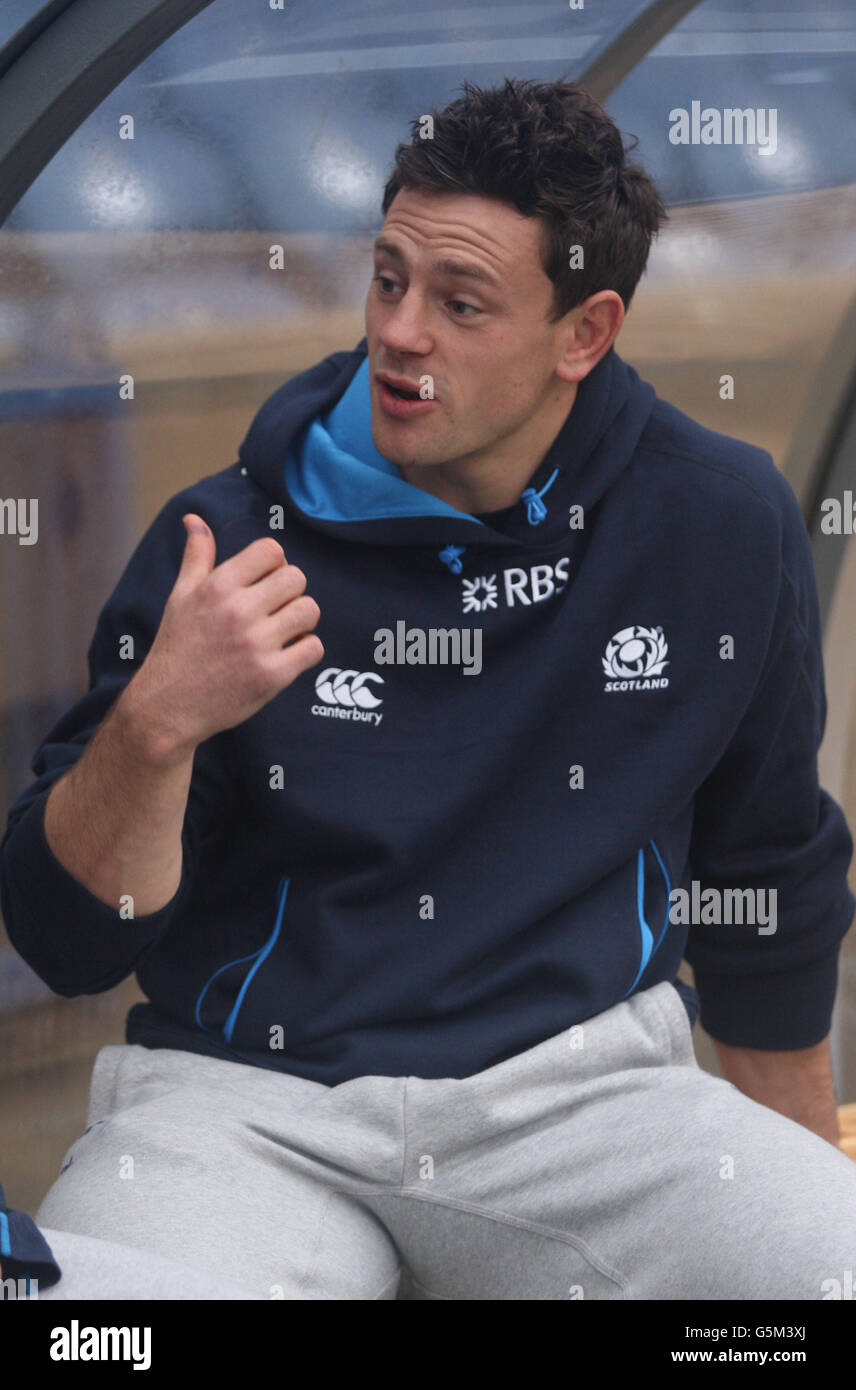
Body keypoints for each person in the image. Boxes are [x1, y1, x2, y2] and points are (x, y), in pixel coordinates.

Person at [2, 77, 856, 1302]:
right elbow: (67, 939)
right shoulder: (226, 543)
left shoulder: (716, 522)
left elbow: (763, 877)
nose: (401, 332)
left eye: (460, 303)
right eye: (388, 278)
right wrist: (155, 724)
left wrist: (804, 1188)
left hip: (585, 1099)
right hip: (248, 1109)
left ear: (585, 332)